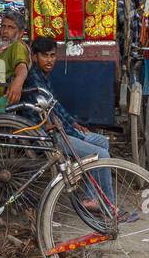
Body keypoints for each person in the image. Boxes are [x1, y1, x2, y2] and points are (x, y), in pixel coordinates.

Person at [22, 36, 114, 209]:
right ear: (34, 57)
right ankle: (108, 207)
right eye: (44, 56)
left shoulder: (42, 77)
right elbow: (44, 116)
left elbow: (55, 106)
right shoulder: (34, 80)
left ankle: (90, 197)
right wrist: (70, 130)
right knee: (102, 154)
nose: (49, 60)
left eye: (52, 56)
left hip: (61, 131)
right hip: (48, 137)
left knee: (102, 142)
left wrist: (72, 123)